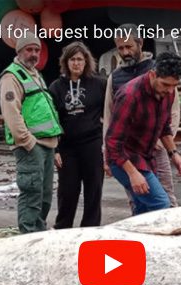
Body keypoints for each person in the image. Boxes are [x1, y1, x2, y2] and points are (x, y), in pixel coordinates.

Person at [103, 24, 181, 208]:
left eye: (129, 46)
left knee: (161, 198)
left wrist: (172, 152)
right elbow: (109, 123)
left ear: (140, 43)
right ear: (153, 77)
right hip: (127, 152)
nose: (125, 52)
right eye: (121, 48)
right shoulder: (123, 86)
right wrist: (107, 156)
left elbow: (168, 119)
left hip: (155, 148)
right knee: (155, 202)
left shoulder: (166, 79)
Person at [0, 35, 63, 233]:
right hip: (31, 145)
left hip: (46, 144)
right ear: (19, 51)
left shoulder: (35, 74)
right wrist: (27, 141)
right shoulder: (12, 77)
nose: (34, 54)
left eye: (37, 50)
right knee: (32, 192)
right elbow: (11, 111)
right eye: (29, 50)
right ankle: (28, 234)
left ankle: (39, 230)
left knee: (44, 195)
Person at [48, 41, 105, 228]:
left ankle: (90, 228)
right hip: (67, 147)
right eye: (72, 59)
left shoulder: (99, 84)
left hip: (92, 144)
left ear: (86, 62)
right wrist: (54, 149)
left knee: (93, 189)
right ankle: (63, 228)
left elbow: (111, 113)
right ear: (66, 62)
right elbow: (51, 119)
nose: (76, 63)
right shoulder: (56, 87)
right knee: (67, 190)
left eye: (80, 59)